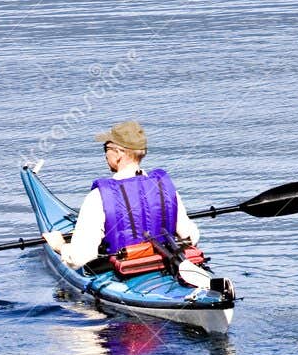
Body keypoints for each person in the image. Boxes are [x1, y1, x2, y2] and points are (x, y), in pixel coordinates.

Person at [44, 120, 232, 299]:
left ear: (119, 153)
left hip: (127, 275)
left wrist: (59, 246)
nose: (105, 155)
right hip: (165, 265)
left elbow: (80, 257)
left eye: (106, 149)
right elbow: (190, 237)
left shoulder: (98, 197)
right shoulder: (163, 187)